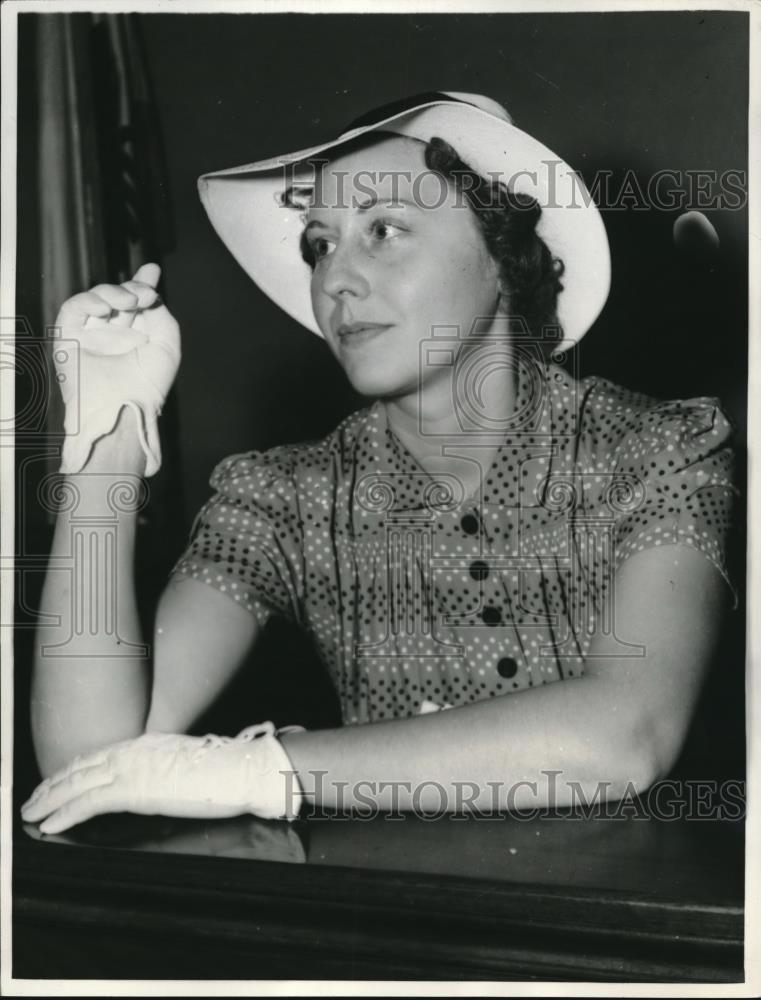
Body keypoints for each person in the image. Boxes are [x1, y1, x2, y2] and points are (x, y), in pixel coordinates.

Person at [21, 92, 738, 834]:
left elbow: (626, 736)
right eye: (319, 244)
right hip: (391, 934)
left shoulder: (654, 453)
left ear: (502, 257)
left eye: (384, 230)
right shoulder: (285, 496)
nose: (334, 279)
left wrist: (270, 771)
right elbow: (86, 759)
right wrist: (105, 447)